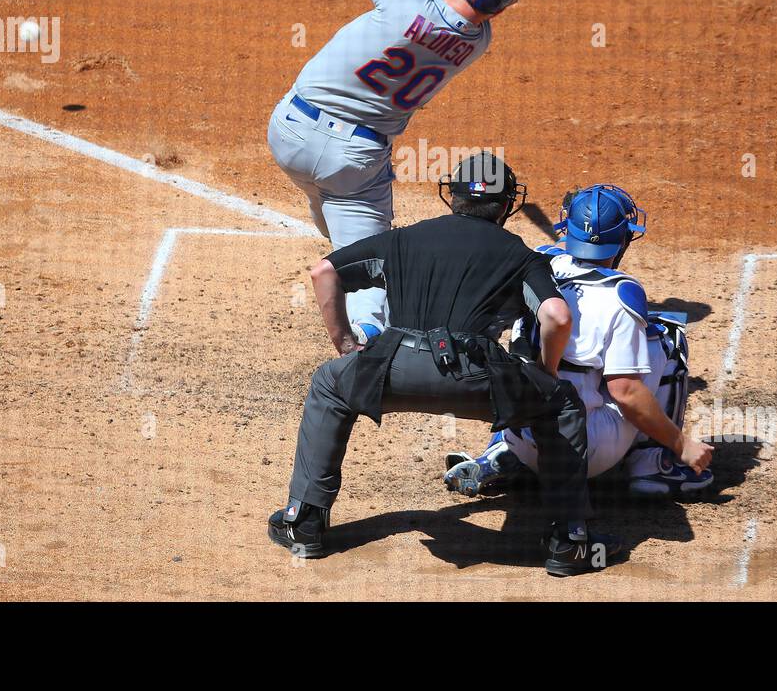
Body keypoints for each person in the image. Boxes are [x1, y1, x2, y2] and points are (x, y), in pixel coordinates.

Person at [267, 153, 622, 577]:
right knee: (560, 403)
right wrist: (544, 374)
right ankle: (570, 542)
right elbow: (557, 317)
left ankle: (303, 522)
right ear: (508, 204)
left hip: (392, 368)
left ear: (451, 195)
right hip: (478, 380)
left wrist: (345, 343)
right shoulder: (522, 256)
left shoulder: (403, 239)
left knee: (329, 383)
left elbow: (323, 271)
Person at [266, 0, 527, 342]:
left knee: (322, 193)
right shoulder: (476, 43)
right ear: (502, 6)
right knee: (369, 266)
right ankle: (367, 342)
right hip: (352, 161)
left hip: (289, 132)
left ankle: (337, 228)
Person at [443, 185, 714, 497]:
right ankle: (654, 465)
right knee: (666, 335)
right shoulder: (622, 294)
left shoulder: (534, 263)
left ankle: (499, 454)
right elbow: (625, 393)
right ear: (624, 239)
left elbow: (559, 253)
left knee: (538, 366)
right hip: (583, 451)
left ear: (566, 228)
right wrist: (683, 444)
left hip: (521, 433)